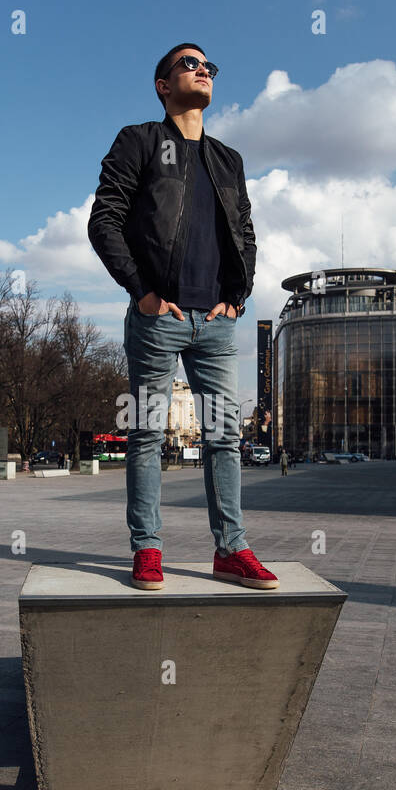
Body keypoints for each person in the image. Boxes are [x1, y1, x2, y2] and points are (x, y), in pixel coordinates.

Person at [88, 42, 277, 592]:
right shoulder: (141, 141)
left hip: (217, 322)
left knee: (223, 437)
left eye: (209, 66)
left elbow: (244, 232)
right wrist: (142, 291)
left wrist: (239, 296)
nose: (203, 71)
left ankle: (231, 550)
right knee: (146, 434)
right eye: (189, 65)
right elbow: (106, 220)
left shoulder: (228, 159)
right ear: (163, 85)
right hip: (158, 315)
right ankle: (147, 550)